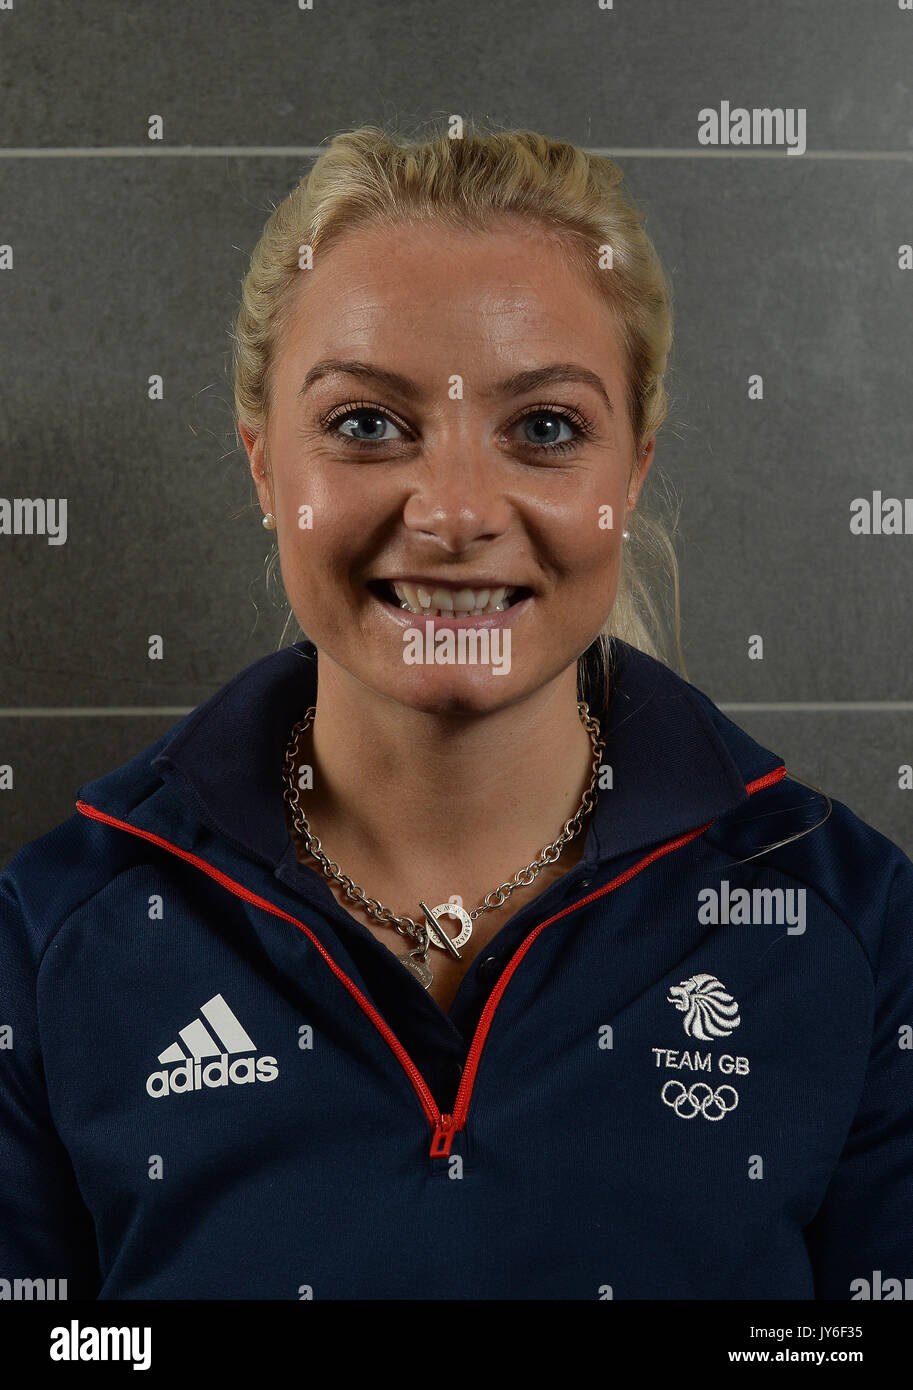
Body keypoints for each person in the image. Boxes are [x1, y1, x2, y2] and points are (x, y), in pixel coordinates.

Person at [1, 123, 911, 1302]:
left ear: (631, 470)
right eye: (366, 424)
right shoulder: (50, 937)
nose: (455, 512)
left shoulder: (854, 926)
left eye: (543, 429)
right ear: (263, 464)